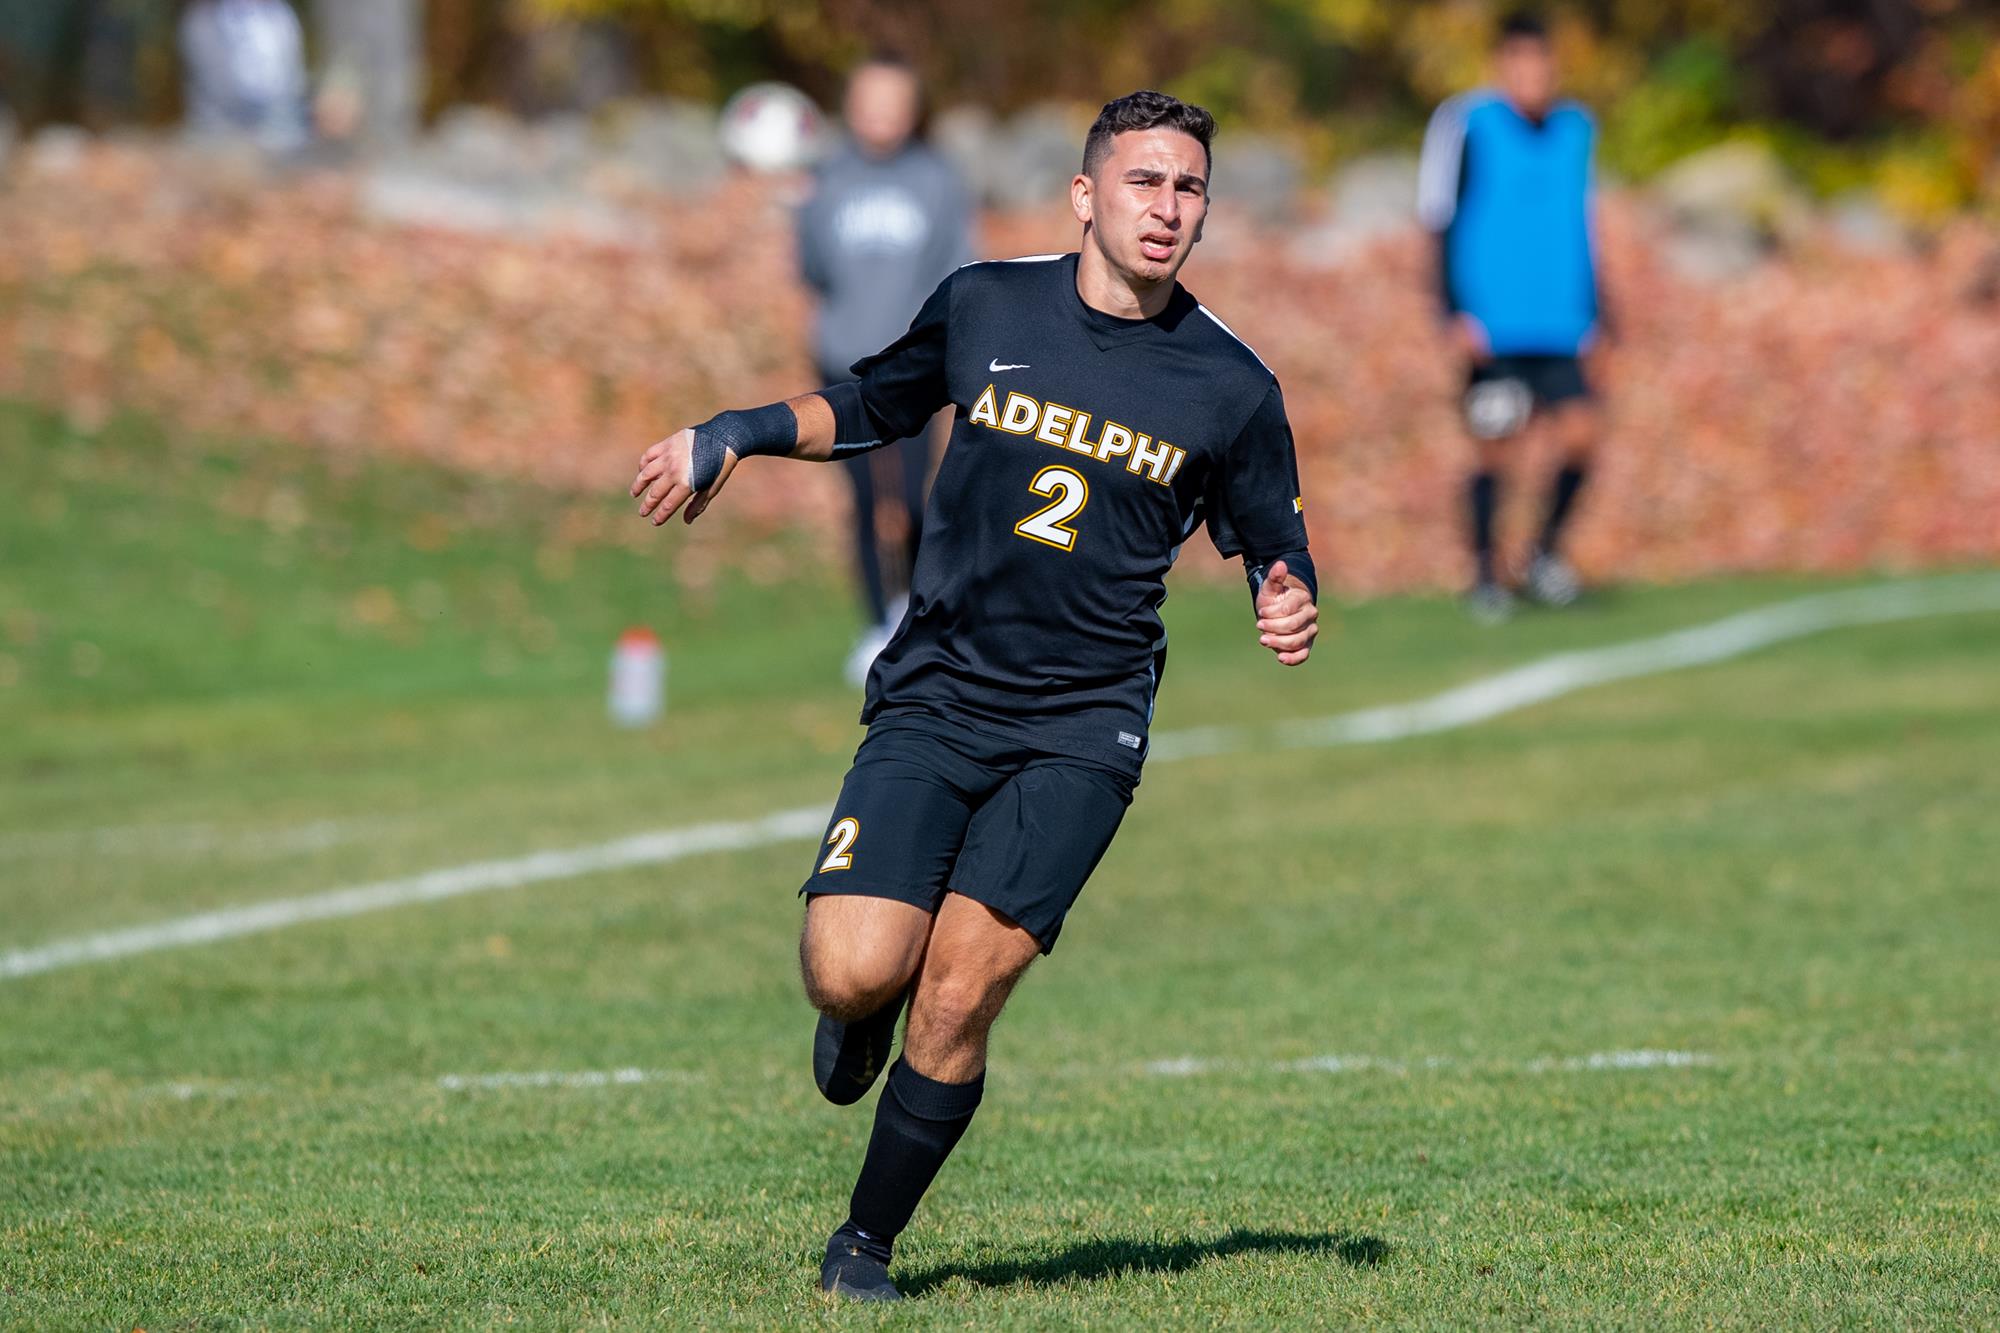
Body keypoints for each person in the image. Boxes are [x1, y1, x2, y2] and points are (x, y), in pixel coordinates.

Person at [631, 90, 1319, 1302]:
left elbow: (1271, 532)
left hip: (1081, 728)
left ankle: (863, 1244)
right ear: (1085, 194)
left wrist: (1285, 586)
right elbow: (869, 403)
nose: (1166, 208)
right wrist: (730, 432)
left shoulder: (1230, 383)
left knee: (960, 989)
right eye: (1144, 182)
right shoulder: (986, 302)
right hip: (937, 693)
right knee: (855, 971)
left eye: (1188, 189)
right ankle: (855, 1014)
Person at [1418, 10, 1606, 622]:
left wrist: (1598, 309)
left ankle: (1545, 555)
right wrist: (1454, 308)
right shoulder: (1467, 122)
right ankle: (1485, 575)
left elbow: (1581, 224)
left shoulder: (1577, 128)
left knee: (1581, 436)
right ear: (1503, 65)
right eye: (1521, 63)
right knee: (1495, 446)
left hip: (1560, 323)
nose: (1534, 75)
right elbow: (1439, 215)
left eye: (1543, 63)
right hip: (1493, 324)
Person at [797, 54, 974, 686]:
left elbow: (959, 273)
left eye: (894, 100)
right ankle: (877, 624)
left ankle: (917, 615)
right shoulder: (825, 178)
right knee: (865, 498)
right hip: (841, 366)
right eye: (870, 98)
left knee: (909, 496)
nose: (881, 113)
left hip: (913, 371)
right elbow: (812, 267)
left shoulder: (937, 181)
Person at [177, 0, 311, 154]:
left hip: (284, 133)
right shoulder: (202, 19)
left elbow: (292, 79)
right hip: (223, 138)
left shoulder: (280, 13)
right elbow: (217, 90)